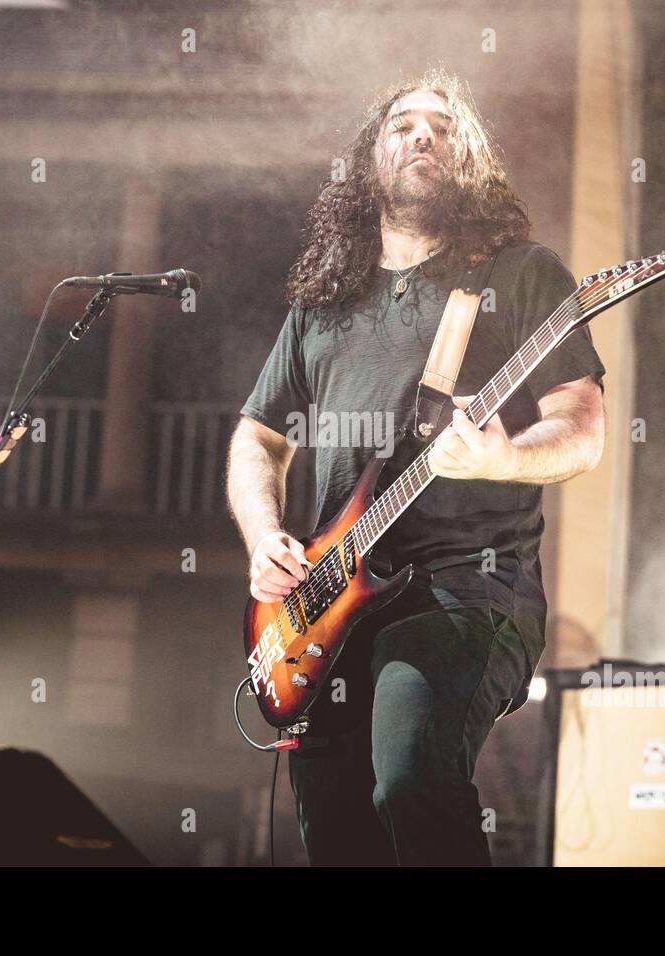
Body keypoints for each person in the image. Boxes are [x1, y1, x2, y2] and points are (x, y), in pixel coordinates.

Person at [226, 69, 606, 866]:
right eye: (402, 125)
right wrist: (264, 536)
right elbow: (257, 436)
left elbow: (581, 424)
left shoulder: (518, 275)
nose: (423, 135)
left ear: (468, 158)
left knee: (410, 781)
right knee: (336, 834)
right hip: (325, 613)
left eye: (443, 125)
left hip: (463, 587)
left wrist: (505, 455)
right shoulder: (324, 303)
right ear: (370, 161)